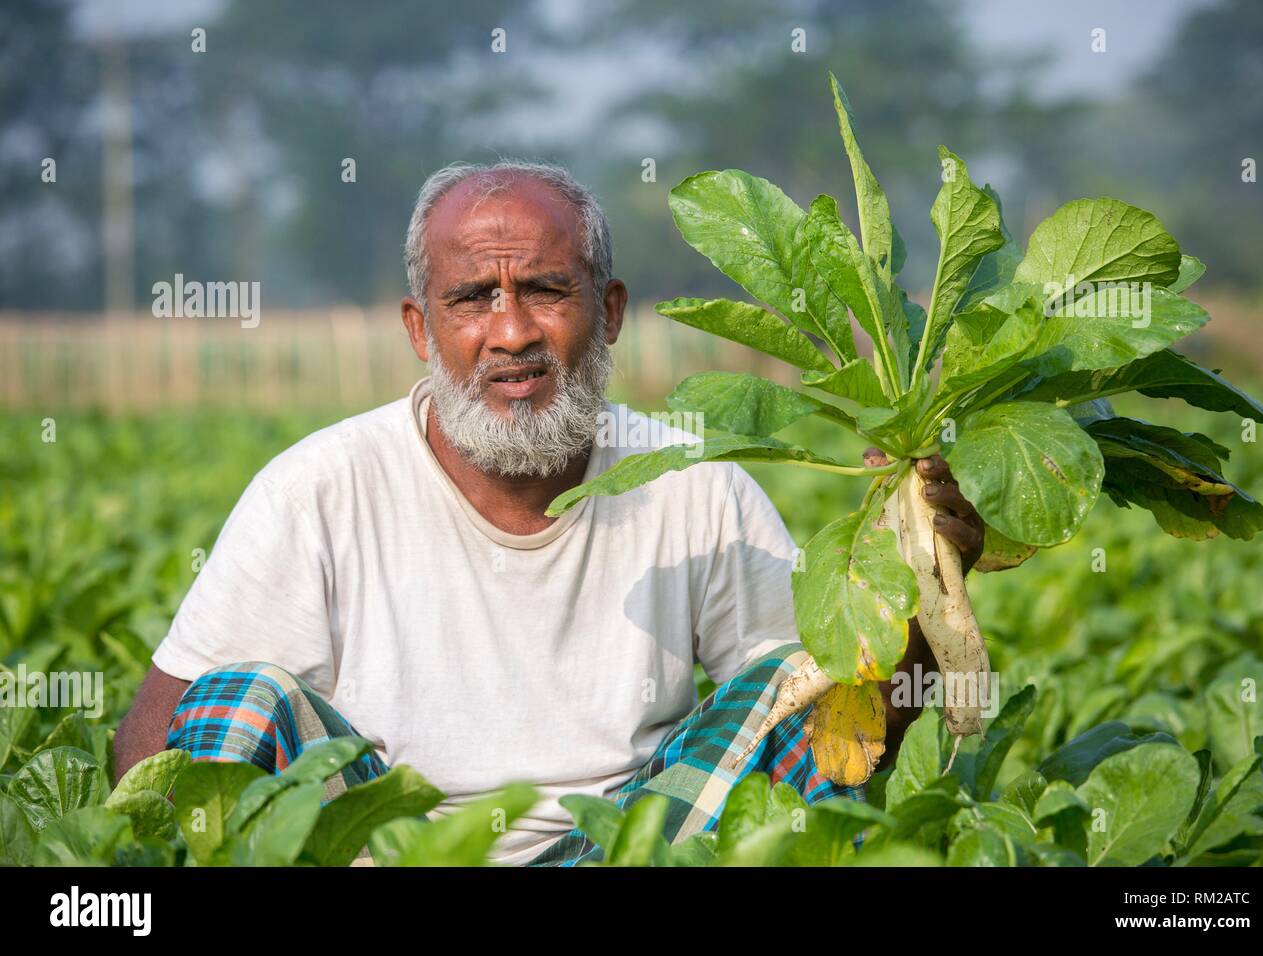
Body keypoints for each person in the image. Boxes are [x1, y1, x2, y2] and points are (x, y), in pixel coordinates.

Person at [112, 160, 985, 865]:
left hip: (622, 849)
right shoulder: (320, 488)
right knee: (238, 698)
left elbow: (830, 740)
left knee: (784, 686)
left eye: (546, 290)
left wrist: (922, 590)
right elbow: (151, 755)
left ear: (608, 315)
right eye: (470, 300)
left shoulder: (694, 481)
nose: (512, 331)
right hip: (391, 852)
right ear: (421, 330)